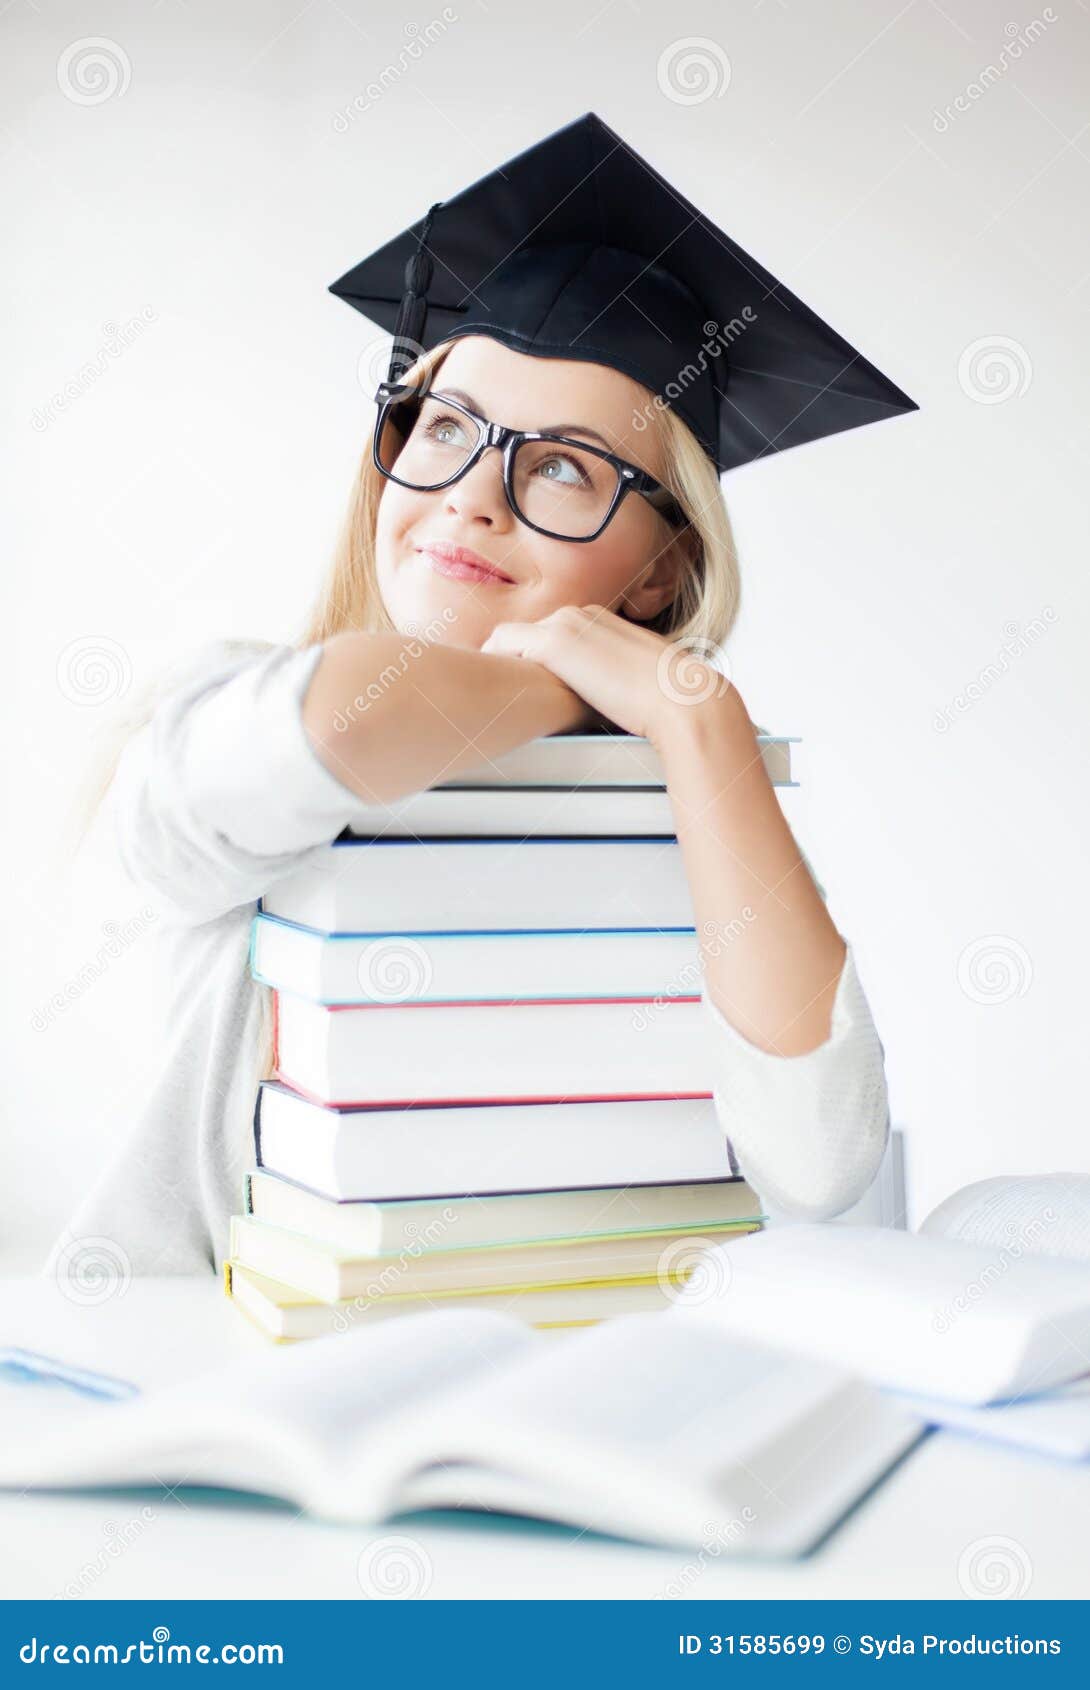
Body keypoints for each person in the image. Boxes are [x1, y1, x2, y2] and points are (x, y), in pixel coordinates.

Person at [48, 112, 917, 1279]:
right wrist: (555, 683)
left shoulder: (692, 807)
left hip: (558, 1380)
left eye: (561, 465)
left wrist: (700, 721)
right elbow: (346, 719)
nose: (470, 495)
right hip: (204, 1354)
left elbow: (819, 1162)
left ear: (663, 566)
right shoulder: (222, 700)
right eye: (446, 426)